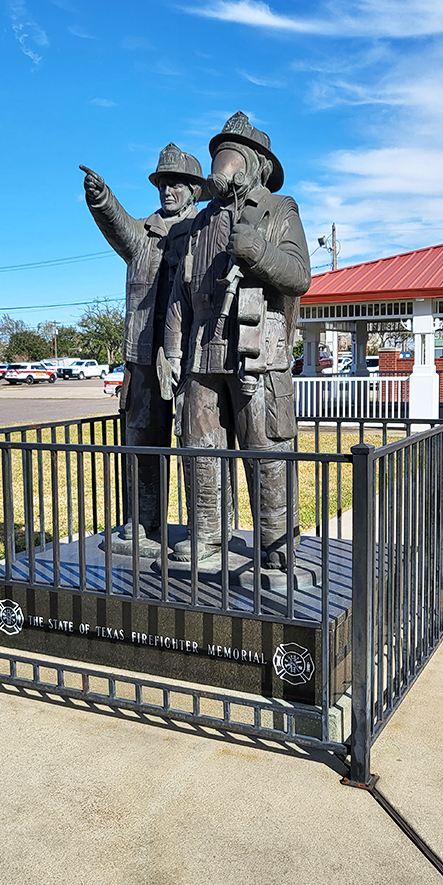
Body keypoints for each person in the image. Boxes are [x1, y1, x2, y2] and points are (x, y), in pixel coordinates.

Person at [164, 112, 311, 567]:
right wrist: (173, 350)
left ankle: (276, 541)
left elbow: (299, 275)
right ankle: (207, 533)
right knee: (199, 447)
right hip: (203, 355)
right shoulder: (199, 224)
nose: (223, 164)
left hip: (257, 353)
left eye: (231, 154)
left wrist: (258, 250)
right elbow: (179, 296)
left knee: (265, 448)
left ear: (254, 163)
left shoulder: (279, 211)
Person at [80, 144, 209, 553]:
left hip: (192, 355)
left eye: (176, 184)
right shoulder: (143, 234)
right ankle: (143, 519)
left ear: (193, 189)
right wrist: (102, 197)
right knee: (141, 439)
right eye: (162, 183)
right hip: (143, 353)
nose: (167, 190)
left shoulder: (205, 230)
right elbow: (116, 222)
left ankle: (204, 532)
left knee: (198, 443)